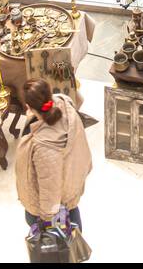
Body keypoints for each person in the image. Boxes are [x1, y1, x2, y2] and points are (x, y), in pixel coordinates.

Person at [15, 79, 93, 242]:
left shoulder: (44, 147)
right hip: (71, 184)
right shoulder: (65, 104)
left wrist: (46, 219)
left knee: (60, 246)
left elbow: (49, 187)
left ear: (28, 107)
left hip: (50, 205)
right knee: (73, 228)